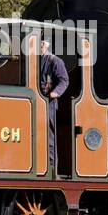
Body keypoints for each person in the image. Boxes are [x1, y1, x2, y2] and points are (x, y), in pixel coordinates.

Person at [38, 38, 70, 174]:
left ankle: (52, 168)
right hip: (35, 102)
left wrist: (54, 93)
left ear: (46, 44)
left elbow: (64, 80)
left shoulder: (54, 61)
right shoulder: (32, 60)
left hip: (48, 103)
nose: (40, 45)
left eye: (42, 43)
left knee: (49, 137)